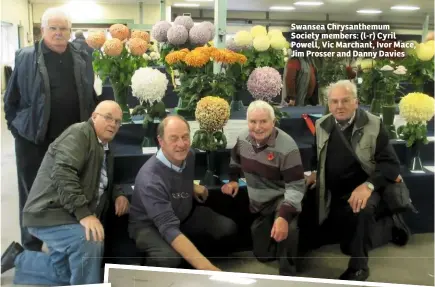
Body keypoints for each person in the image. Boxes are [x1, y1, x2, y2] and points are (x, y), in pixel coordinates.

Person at [0, 101, 130, 285]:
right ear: (94, 116)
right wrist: (84, 214)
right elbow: (63, 172)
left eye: (117, 121)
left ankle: (19, 259)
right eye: (108, 117)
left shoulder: (105, 147)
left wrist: (118, 194)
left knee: (66, 275)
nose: (113, 124)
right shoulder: (79, 134)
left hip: (68, 212)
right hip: (49, 212)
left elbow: (102, 180)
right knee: (90, 240)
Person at [3, 7, 97, 251]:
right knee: (32, 192)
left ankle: (65, 243)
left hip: (70, 141)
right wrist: (17, 129)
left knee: (70, 188)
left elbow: (90, 95)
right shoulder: (25, 57)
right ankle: (32, 246)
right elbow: (10, 98)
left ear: (69, 31)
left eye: (63, 28)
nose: (58, 33)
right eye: (52, 28)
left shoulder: (82, 57)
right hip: (33, 140)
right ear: (43, 30)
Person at [301, 80, 411, 281]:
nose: (339, 106)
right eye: (334, 101)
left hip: (366, 188)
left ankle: (359, 267)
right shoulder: (321, 124)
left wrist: (368, 186)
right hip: (333, 189)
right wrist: (315, 173)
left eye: (345, 101)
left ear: (356, 102)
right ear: (328, 103)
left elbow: (390, 164)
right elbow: (315, 156)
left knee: (361, 209)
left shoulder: (374, 124)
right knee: (306, 198)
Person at [128, 115, 238, 271]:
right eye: (174, 138)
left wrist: (190, 186)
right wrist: (208, 268)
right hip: (149, 226)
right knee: (169, 258)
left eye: (185, 137)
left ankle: (188, 256)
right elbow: (167, 227)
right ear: (161, 141)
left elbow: (176, 175)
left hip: (182, 215)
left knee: (227, 228)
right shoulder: (150, 178)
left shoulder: (189, 155)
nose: (181, 144)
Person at [221, 100, 306, 276]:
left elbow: (296, 187)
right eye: (253, 121)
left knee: (288, 229)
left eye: (263, 121)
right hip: (259, 204)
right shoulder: (243, 138)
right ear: (247, 122)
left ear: (273, 122)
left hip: (281, 198)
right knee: (263, 255)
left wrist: (283, 216)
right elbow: (235, 160)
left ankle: (288, 273)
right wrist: (233, 180)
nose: (258, 127)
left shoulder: (287, 146)